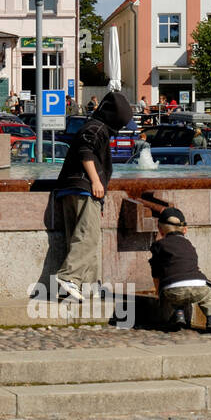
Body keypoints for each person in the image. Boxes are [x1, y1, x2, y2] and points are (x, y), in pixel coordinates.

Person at [50, 91, 133, 302]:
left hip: (71, 188)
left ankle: (90, 285)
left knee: (81, 238)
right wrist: (96, 181)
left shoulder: (92, 125)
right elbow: (86, 152)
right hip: (84, 188)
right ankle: (68, 278)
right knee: (88, 237)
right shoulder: (97, 128)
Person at [149, 207, 211, 332]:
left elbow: (156, 272)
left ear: (160, 230)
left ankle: (179, 314)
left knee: (174, 289)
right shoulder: (189, 245)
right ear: (185, 230)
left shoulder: (158, 246)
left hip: (171, 290)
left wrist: (159, 292)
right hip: (198, 286)